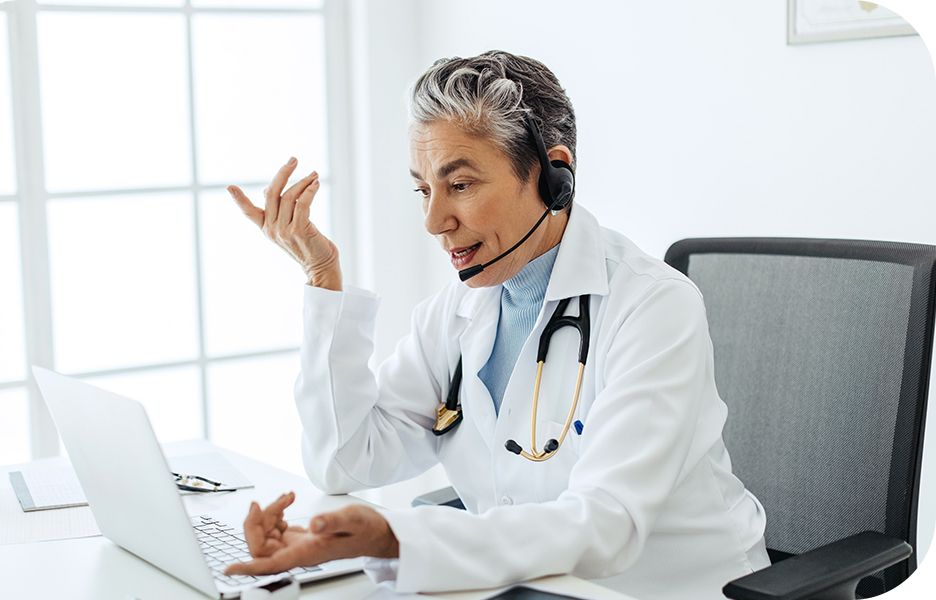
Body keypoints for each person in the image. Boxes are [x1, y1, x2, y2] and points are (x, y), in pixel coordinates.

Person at [224, 50, 770, 600]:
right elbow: (344, 460)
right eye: (423, 189)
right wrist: (323, 279)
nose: (434, 221)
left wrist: (398, 538)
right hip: (530, 590)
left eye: (459, 185)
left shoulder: (652, 307)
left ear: (552, 172)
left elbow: (608, 524)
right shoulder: (455, 313)